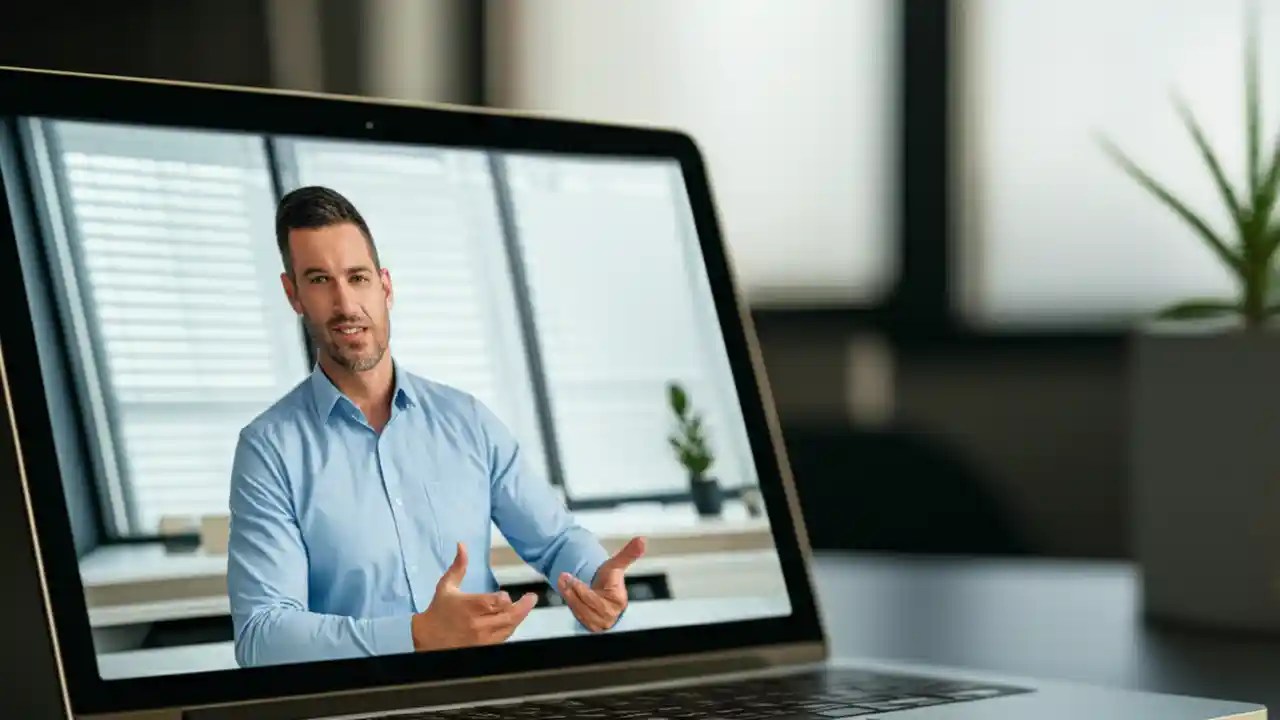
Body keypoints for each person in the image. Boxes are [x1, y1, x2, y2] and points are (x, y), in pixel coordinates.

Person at [227, 185, 646, 668]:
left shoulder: (467, 420)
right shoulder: (268, 450)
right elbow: (262, 636)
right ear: (293, 294)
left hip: (484, 696)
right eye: (319, 280)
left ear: (385, 285)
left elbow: (554, 542)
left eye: (357, 277)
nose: (345, 304)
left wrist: (596, 579)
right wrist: (415, 634)